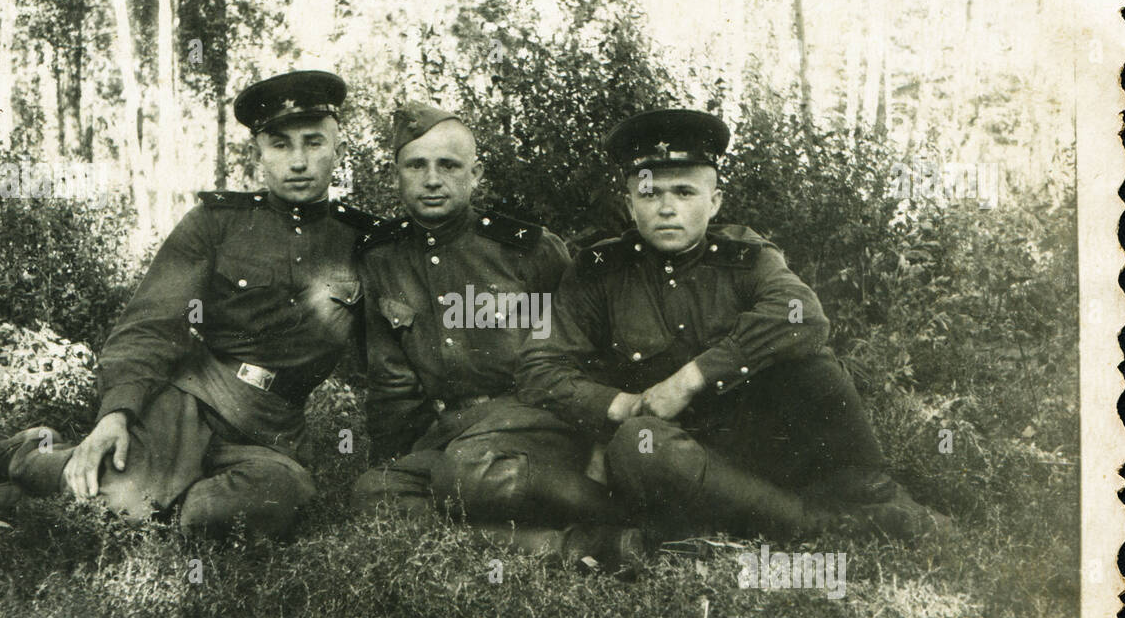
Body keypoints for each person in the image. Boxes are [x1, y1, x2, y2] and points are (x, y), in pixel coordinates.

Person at [0, 70, 377, 540]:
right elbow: (150, 321)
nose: (298, 161)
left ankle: (138, 496)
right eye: (280, 144)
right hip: (192, 401)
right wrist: (116, 414)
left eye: (313, 143)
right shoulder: (216, 223)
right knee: (124, 504)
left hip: (272, 431)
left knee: (253, 506)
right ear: (259, 154)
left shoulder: (364, 244)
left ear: (338, 149)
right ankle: (27, 453)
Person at [517, 107, 950, 546]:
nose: (667, 208)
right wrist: (622, 405)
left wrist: (690, 380)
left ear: (715, 202)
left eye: (685, 192)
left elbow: (802, 314)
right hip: (677, 450)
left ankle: (874, 496)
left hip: (757, 437)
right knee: (639, 442)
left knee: (814, 364)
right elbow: (540, 369)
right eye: (650, 194)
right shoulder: (597, 271)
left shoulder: (745, 257)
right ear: (630, 204)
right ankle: (820, 527)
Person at [352, 101, 639, 565]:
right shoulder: (381, 258)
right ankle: (566, 546)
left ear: (477, 173)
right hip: (451, 435)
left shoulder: (527, 250)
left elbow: (590, 354)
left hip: (536, 424)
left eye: (448, 165)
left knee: (465, 473)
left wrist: (600, 450)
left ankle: (629, 513)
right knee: (374, 494)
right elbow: (392, 382)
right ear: (395, 175)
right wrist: (391, 462)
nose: (431, 180)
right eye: (416, 165)